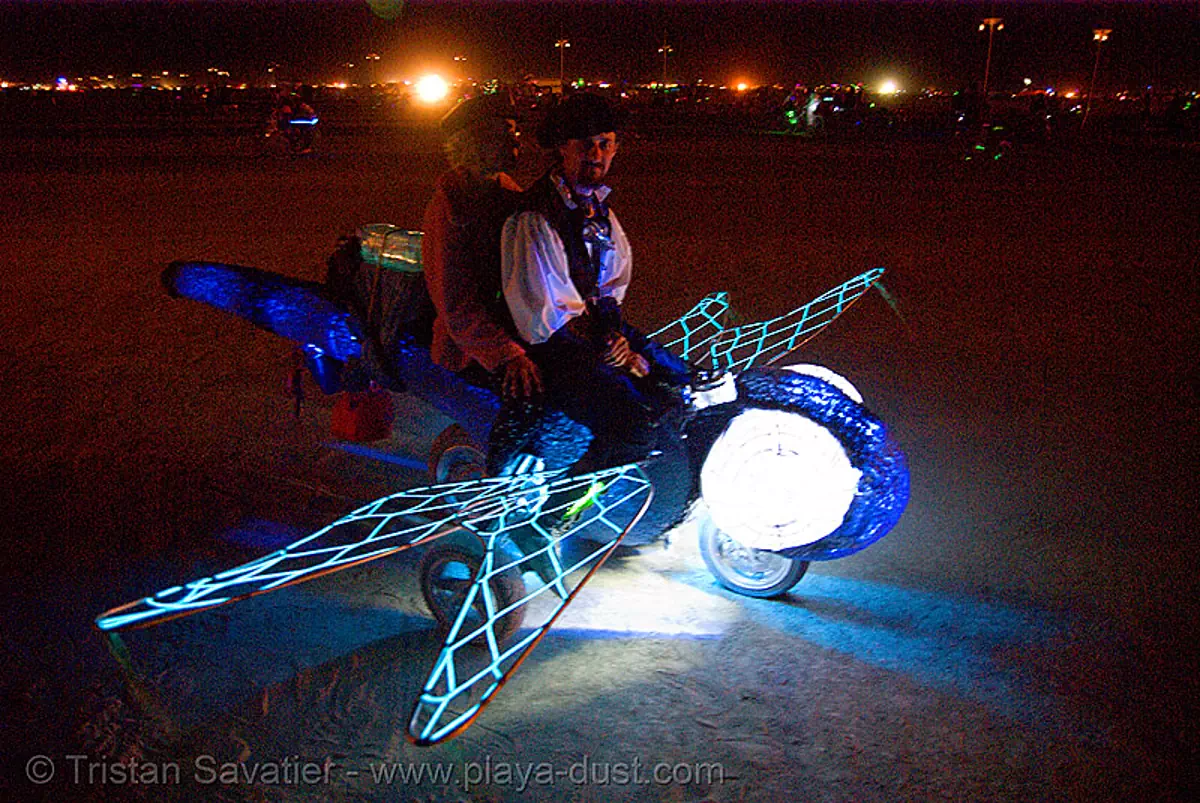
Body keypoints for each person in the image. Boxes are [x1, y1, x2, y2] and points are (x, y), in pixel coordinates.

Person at [500, 93, 689, 470]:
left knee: (681, 380)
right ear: (563, 149)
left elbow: (609, 291)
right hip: (554, 347)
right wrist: (613, 351)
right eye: (585, 145)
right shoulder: (535, 219)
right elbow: (547, 317)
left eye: (605, 144)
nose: (596, 154)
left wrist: (623, 344)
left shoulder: (597, 209)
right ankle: (561, 513)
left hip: (593, 333)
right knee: (633, 426)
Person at [421, 94, 543, 399]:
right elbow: (456, 305)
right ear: (472, 143)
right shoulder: (451, 207)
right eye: (503, 134)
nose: (516, 143)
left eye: (514, 132)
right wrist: (506, 353)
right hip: (469, 350)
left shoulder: (505, 188)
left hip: (510, 333)